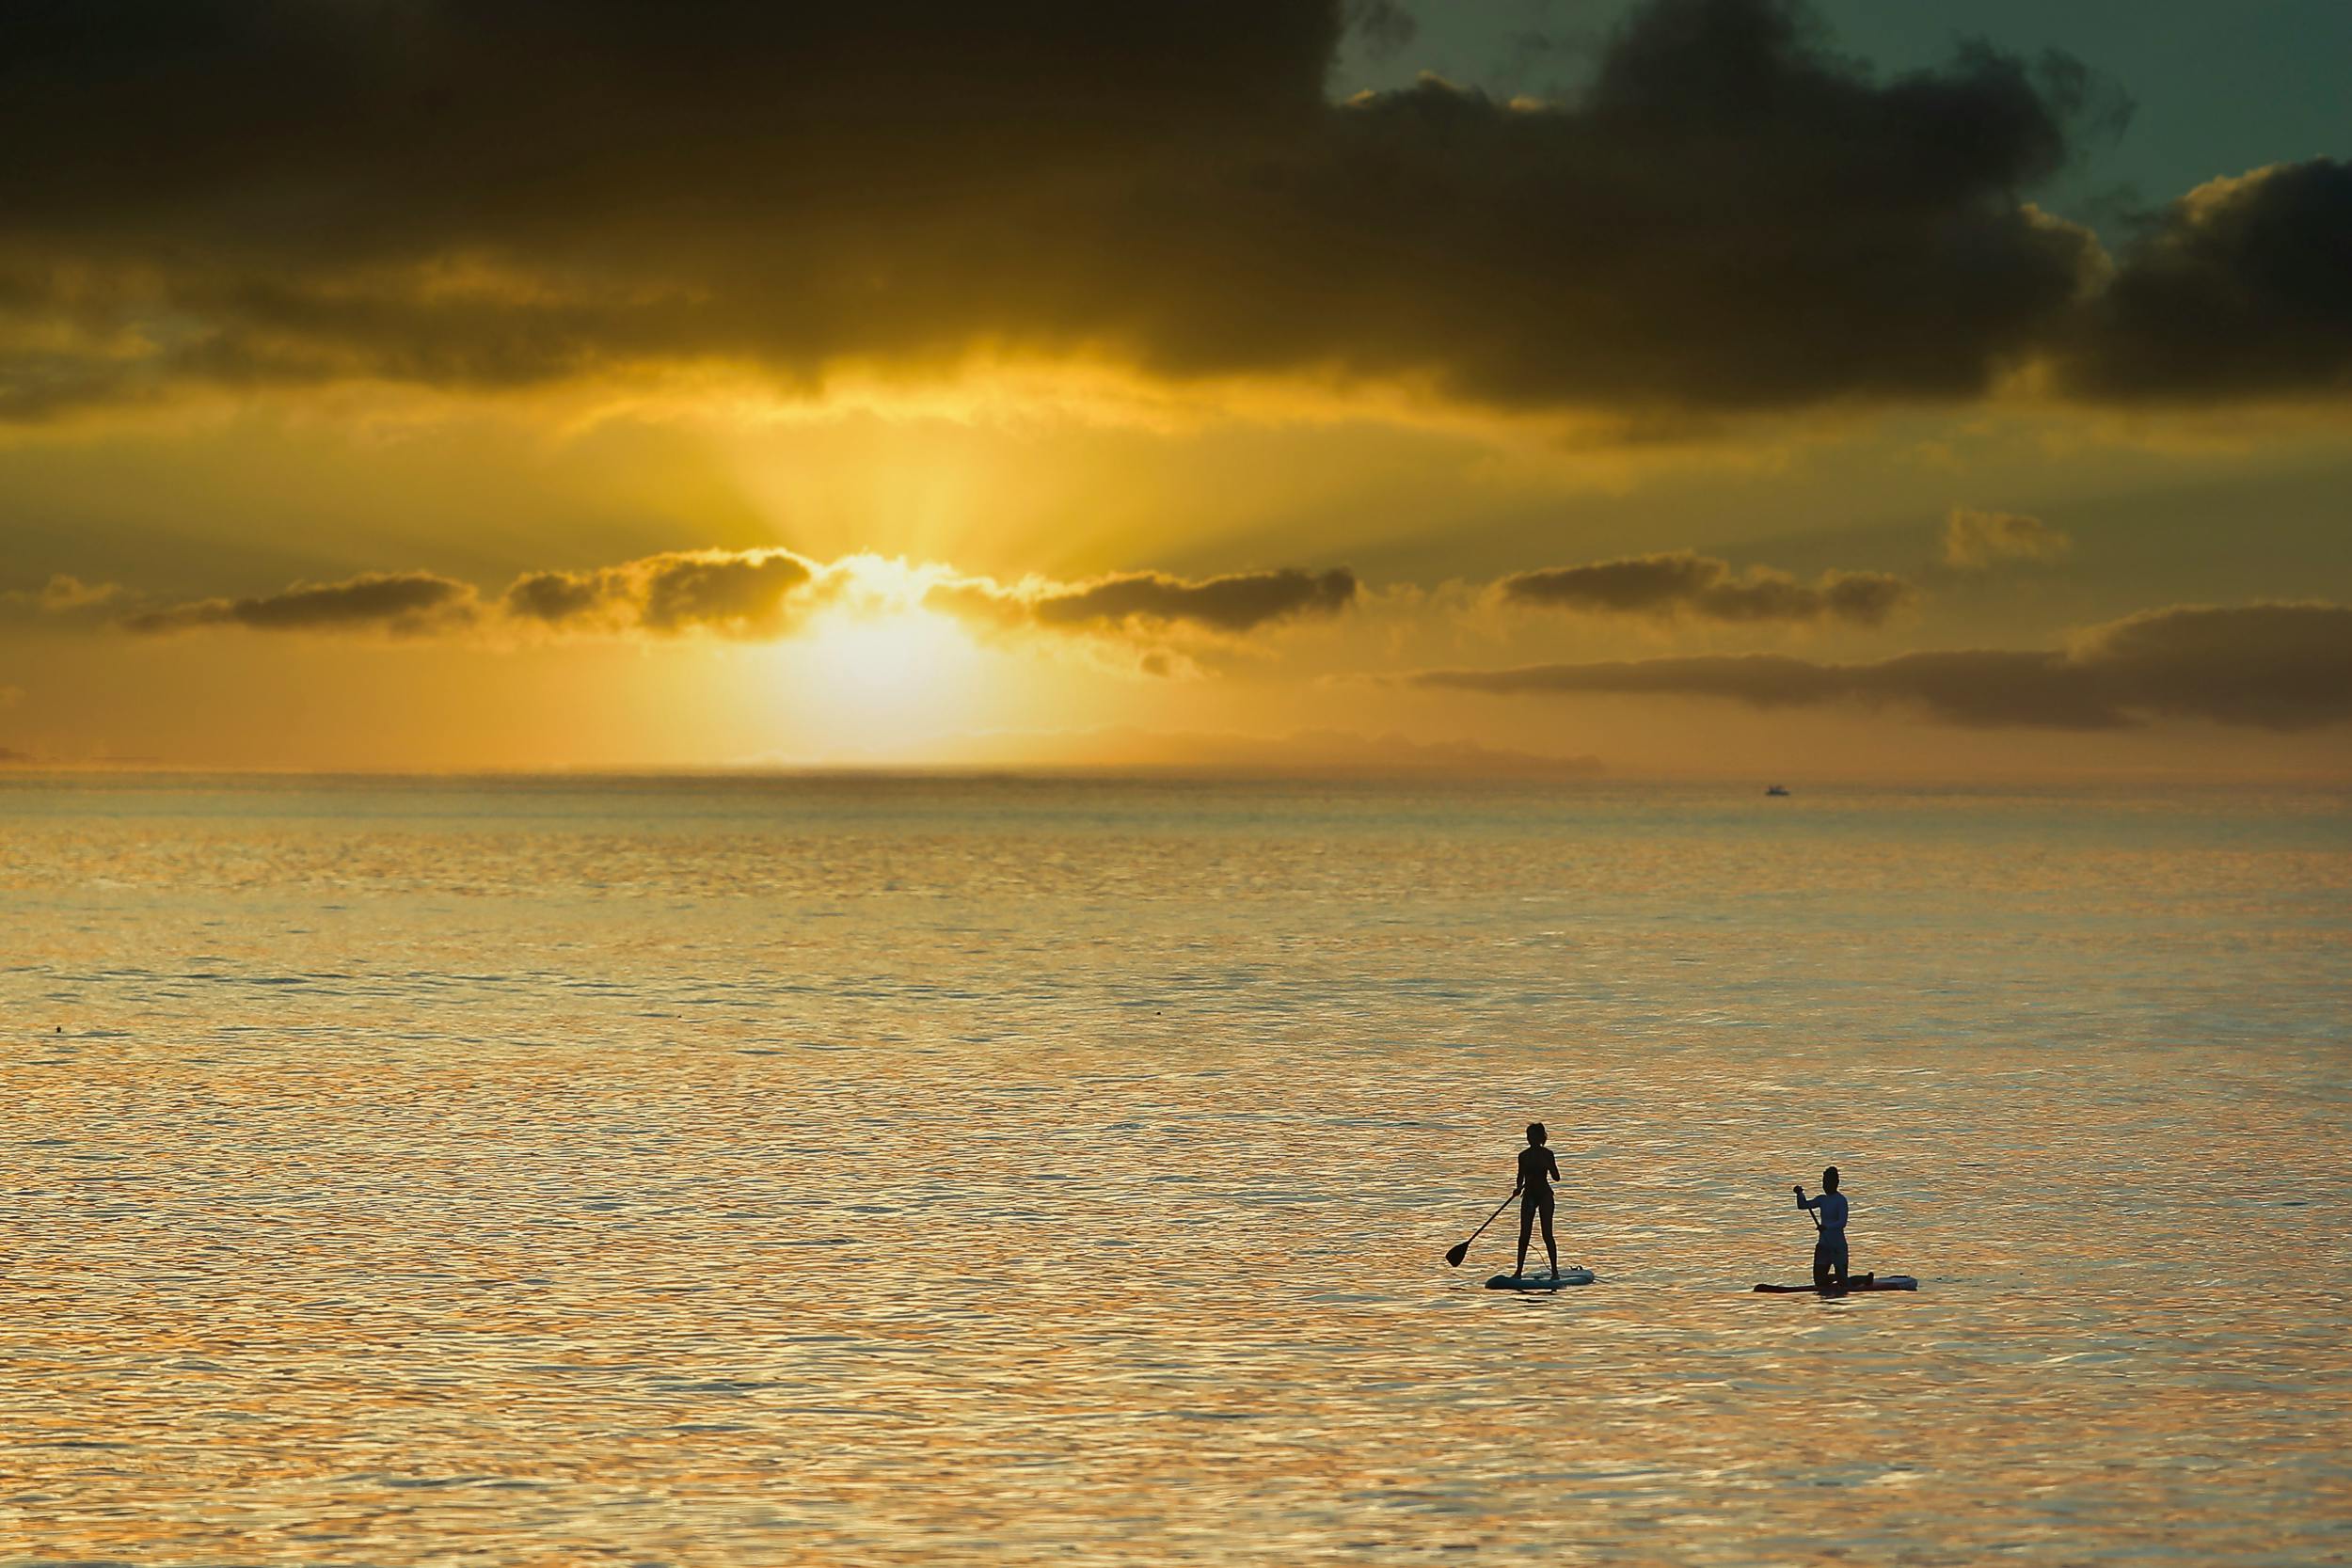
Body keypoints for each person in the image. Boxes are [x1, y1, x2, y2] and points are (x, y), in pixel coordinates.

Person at [1514, 1122, 1562, 1280]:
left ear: (1541, 1138)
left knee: (1547, 1233)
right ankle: (1518, 1272)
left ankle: (1554, 1272)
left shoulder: (1547, 1154)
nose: (1530, 1139)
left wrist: (1548, 1165)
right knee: (1524, 1235)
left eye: (1534, 1136)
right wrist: (1518, 1187)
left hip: (1544, 1195)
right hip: (1529, 1196)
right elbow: (1520, 1176)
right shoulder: (1523, 1156)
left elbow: (1556, 1177)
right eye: (1529, 1136)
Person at [1795, 1166, 1850, 1290]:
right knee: (1819, 1281)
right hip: (1824, 1244)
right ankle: (1837, 1277)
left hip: (1838, 1245)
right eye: (1823, 1182)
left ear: (1835, 1183)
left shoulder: (1841, 1200)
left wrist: (1826, 1227)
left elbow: (1842, 1223)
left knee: (1843, 1283)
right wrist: (1799, 1194)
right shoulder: (1822, 1200)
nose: (1825, 1185)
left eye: (1827, 1182)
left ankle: (1852, 1279)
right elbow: (1802, 1205)